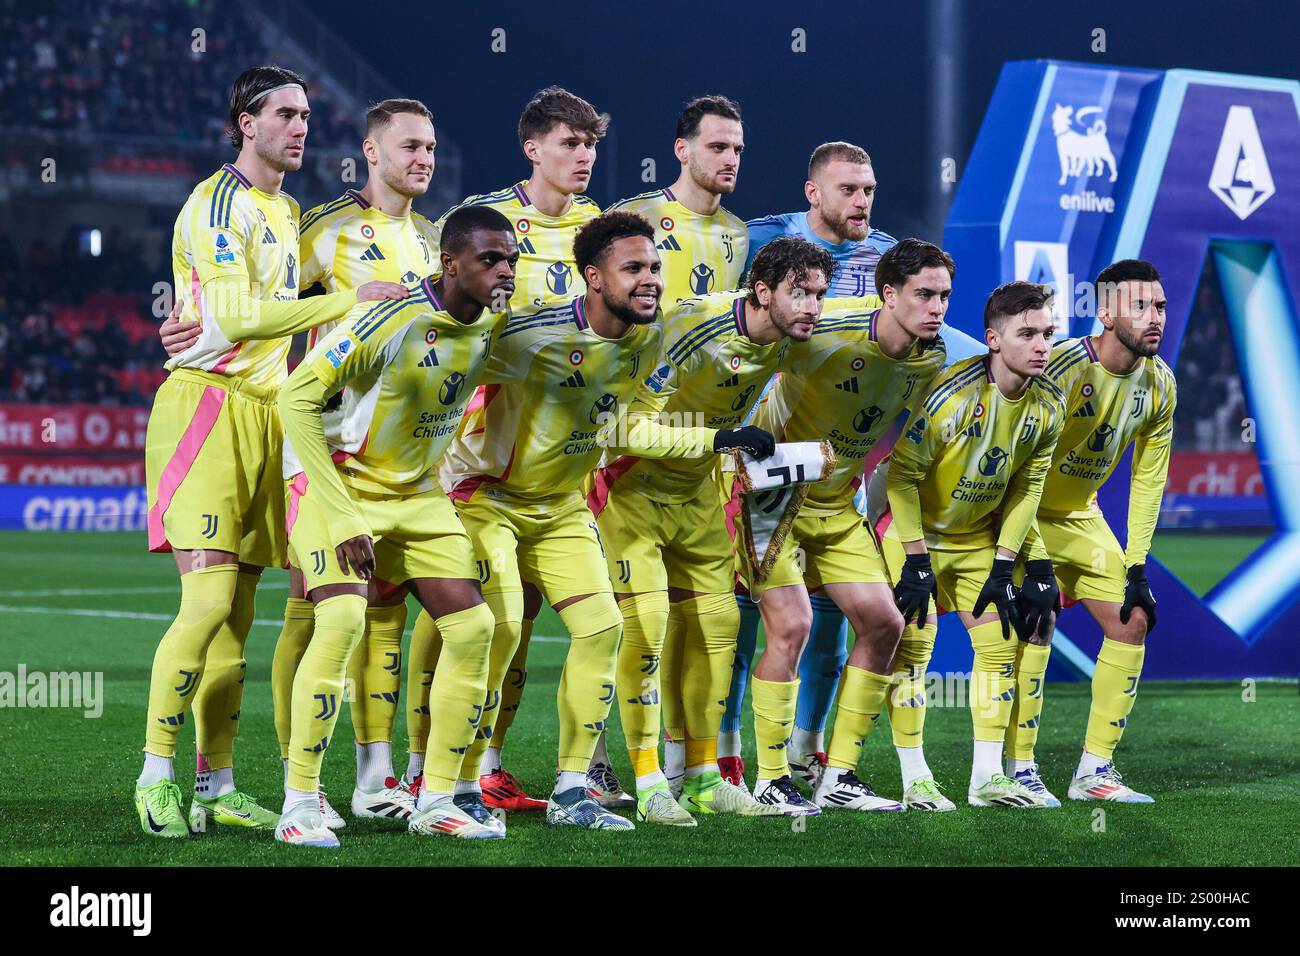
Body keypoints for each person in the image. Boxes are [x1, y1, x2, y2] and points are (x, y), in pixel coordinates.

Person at [414, 211, 775, 830]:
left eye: (655, 268)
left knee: (603, 628)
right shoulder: (529, 334)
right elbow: (446, 351)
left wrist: (716, 437)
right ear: (593, 277)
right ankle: (452, 790)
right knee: (496, 635)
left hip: (561, 508)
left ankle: (573, 789)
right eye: (633, 268)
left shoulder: (647, 338)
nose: (650, 280)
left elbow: (627, 425)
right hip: (488, 498)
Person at [135, 65, 408, 838]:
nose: (299, 127)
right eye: (284, 113)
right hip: (206, 406)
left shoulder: (288, 212)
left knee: (237, 618)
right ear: (245, 122)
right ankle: (154, 774)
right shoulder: (217, 199)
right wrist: (346, 300)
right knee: (209, 601)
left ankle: (215, 783)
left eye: (306, 115)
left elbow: (246, 314)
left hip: (268, 414)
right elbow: (233, 313)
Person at [274, 205, 517, 846]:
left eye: (512, 259)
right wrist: (342, 511)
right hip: (342, 485)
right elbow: (295, 397)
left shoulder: (494, 324)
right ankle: (299, 803)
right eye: (490, 259)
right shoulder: (391, 317)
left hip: (418, 496)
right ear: (450, 263)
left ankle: (436, 798)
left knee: (476, 628)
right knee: (344, 620)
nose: (504, 271)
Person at [405, 86, 609, 812]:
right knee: (468, 615)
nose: (584, 157)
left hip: (561, 453)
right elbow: (435, 304)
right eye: (570, 144)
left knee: (522, 623)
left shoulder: (600, 228)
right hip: (482, 447)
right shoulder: (490, 220)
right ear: (534, 147)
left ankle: (488, 762)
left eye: (591, 145)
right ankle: (423, 761)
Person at [590, 236, 831, 823]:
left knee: (719, 628)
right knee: (647, 629)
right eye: (799, 293)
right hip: (632, 490)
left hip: (696, 493)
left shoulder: (789, 338)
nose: (812, 307)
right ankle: (648, 781)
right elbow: (620, 431)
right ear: (762, 291)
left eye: (820, 295)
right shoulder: (689, 329)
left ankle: (701, 777)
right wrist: (719, 440)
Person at [736, 239, 954, 814]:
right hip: (770, 500)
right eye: (924, 295)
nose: (937, 308)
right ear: (888, 293)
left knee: (885, 625)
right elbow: (746, 355)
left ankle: (839, 776)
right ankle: (771, 776)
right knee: (791, 627)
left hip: (837, 507)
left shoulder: (932, 359)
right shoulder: (823, 330)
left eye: (944, 297)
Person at [723, 140, 897, 789]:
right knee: (754, 617)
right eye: (848, 189)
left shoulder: (887, 256)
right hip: (763, 455)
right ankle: (729, 753)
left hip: (832, 468)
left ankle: (809, 748)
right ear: (812, 193)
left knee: (833, 619)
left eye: (869, 190)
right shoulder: (759, 238)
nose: (861, 202)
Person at [882, 280, 1065, 810]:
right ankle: (914, 777)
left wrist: (1007, 564)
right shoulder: (951, 395)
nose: (1041, 346)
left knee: (1000, 646)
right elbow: (901, 478)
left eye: (1048, 334)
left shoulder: (1049, 404)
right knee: (913, 649)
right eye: (1027, 333)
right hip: (914, 538)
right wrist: (916, 561)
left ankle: (987, 777)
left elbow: (1028, 488)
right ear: (992, 338)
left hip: (976, 541)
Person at [1005, 259, 1175, 805]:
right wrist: (1031, 559)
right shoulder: (1058, 367)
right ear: (1104, 313)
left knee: (1133, 620)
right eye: (1141, 306)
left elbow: (1149, 480)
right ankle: (1019, 768)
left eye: (1161, 307)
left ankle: (1094, 772)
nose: (1155, 318)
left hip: (1078, 515)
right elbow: (1014, 461)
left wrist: (1138, 564)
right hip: (1017, 512)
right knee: (1039, 615)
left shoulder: (1160, 384)